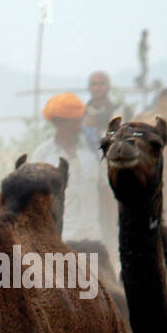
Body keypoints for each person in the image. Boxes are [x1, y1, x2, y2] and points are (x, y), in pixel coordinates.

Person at [30, 92, 106, 244]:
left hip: (93, 236)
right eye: (73, 122)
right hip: (60, 239)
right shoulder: (43, 154)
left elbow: (104, 190)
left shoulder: (93, 151)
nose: (79, 126)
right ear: (59, 123)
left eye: (79, 120)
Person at [83, 70, 126, 145]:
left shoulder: (120, 111)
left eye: (102, 83)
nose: (98, 88)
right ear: (89, 87)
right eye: (94, 84)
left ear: (109, 86)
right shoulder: (82, 112)